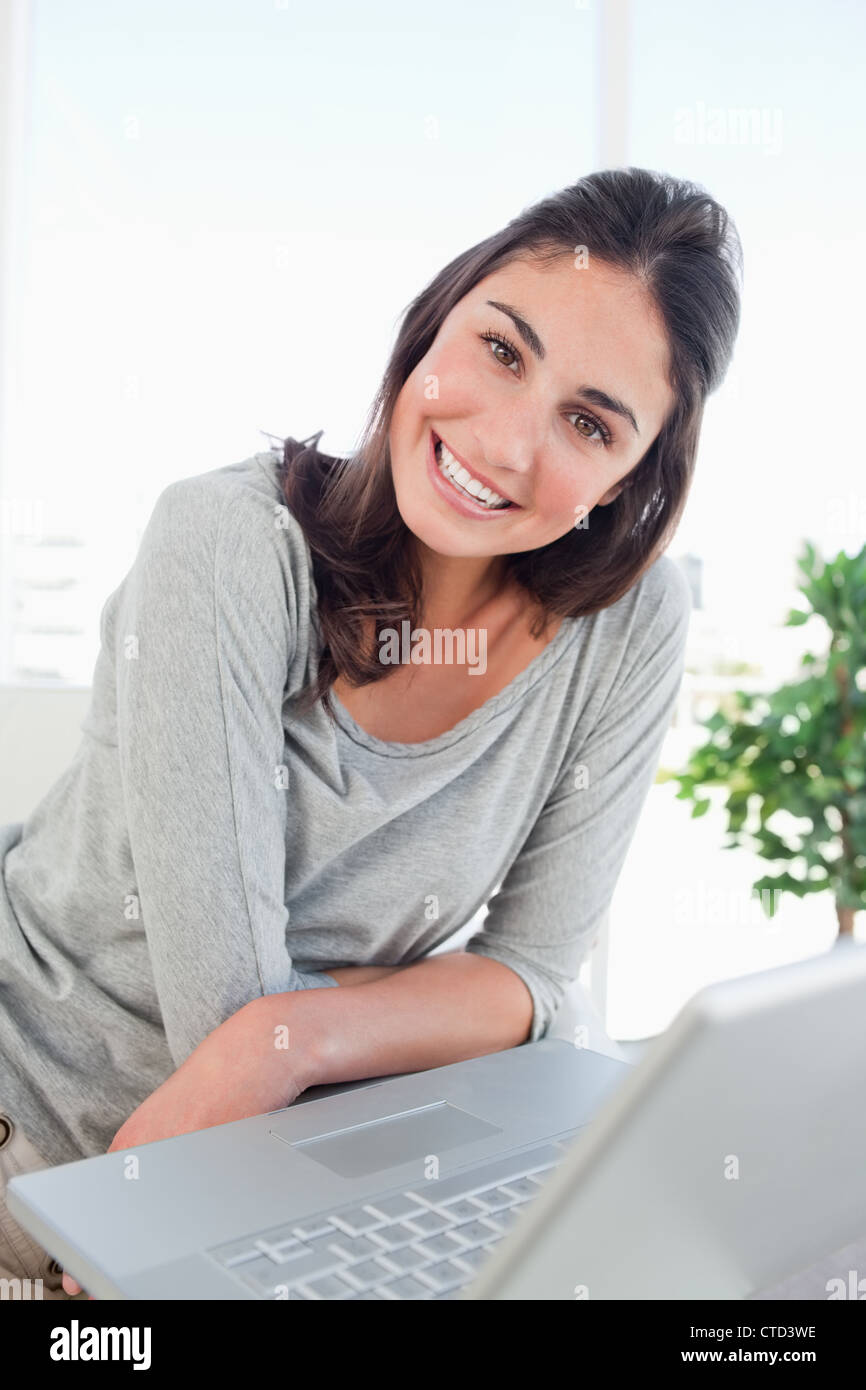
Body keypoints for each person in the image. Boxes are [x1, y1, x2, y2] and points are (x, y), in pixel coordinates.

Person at [0, 167, 742, 1299]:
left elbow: (536, 979)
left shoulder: (628, 628)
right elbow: (231, 1023)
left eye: (587, 422)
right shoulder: (227, 543)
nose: (501, 443)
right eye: (501, 349)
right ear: (435, 318)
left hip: (307, 1163)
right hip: (56, 1149)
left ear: (631, 478)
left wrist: (287, 1036)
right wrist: (312, 1028)